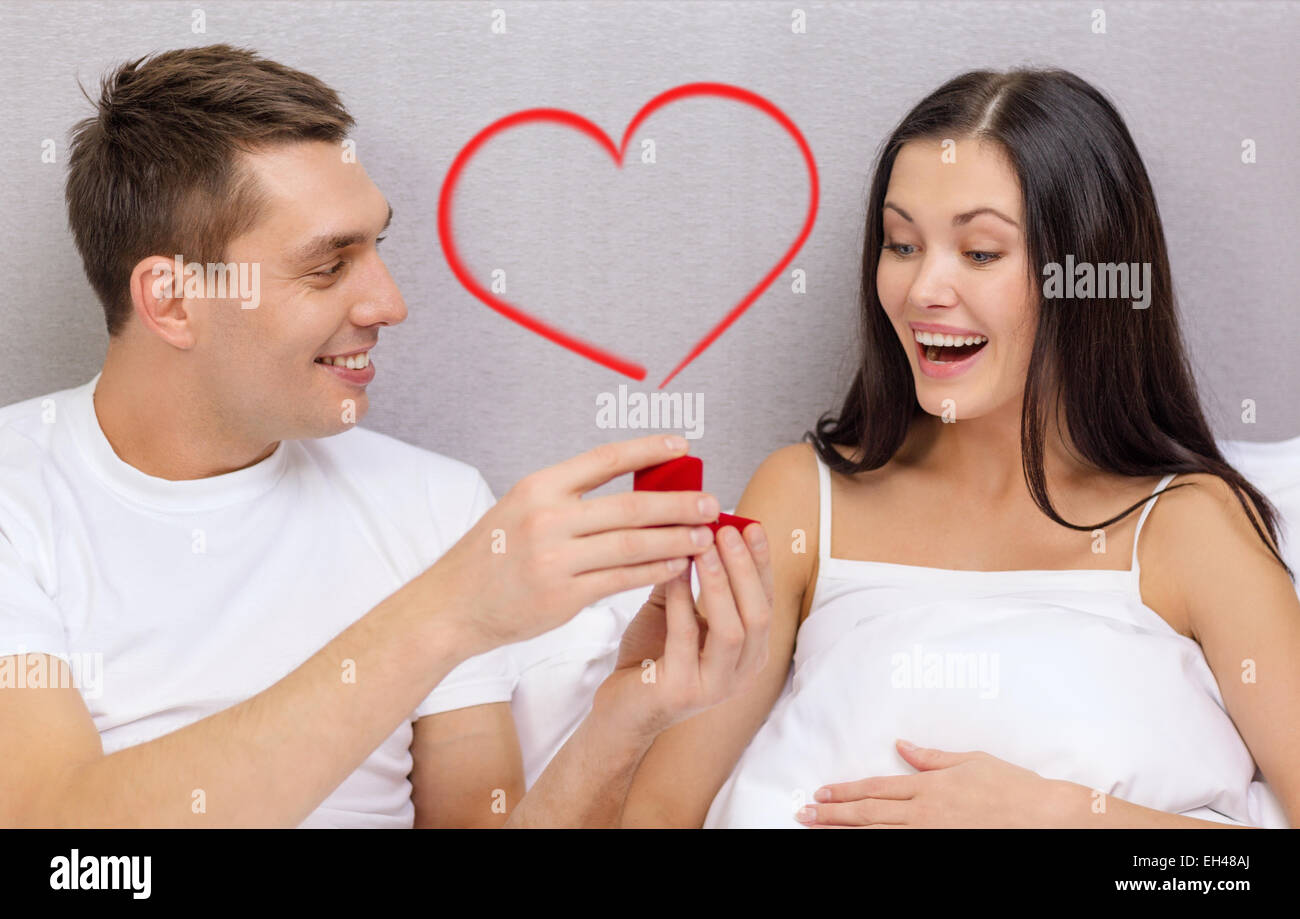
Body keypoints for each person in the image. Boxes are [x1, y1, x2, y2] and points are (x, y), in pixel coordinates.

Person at [0, 44, 772, 828]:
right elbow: (62, 847)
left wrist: (624, 722)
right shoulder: (17, 493)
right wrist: (447, 612)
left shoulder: (431, 504)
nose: (389, 304)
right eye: (328, 267)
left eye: (377, 246)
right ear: (171, 302)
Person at [614, 68, 1300, 828]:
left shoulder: (1187, 525)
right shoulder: (805, 497)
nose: (921, 290)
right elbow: (657, 814)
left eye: (979, 253)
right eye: (901, 244)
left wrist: (1060, 816)